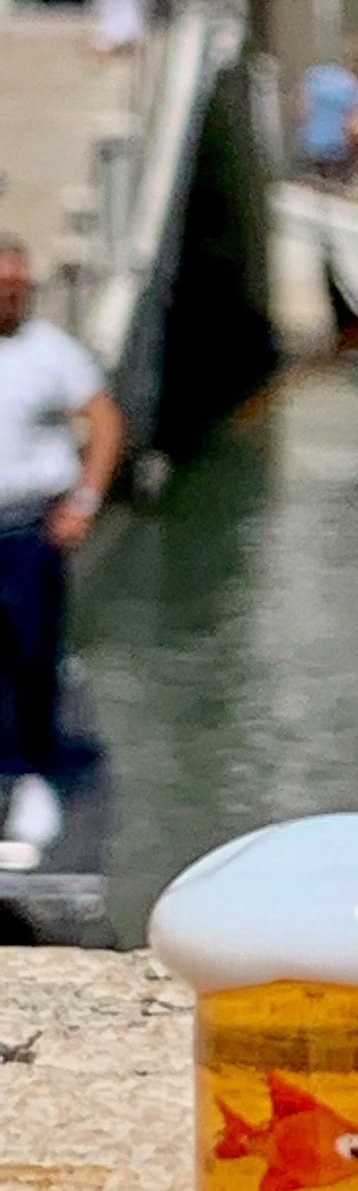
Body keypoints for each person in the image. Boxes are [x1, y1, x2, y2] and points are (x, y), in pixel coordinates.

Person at [0, 237, 124, 856]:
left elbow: (104, 422)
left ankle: (31, 777)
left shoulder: (51, 353)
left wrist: (84, 501)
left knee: (30, 651)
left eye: (18, 287)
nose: (10, 296)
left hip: (25, 526)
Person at [296, 57, 358, 183]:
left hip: (312, 144)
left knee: (314, 185)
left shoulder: (313, 77)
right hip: (339, 145)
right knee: (338, 183)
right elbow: (354, 117)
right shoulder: (350, 81)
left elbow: (303, 110)